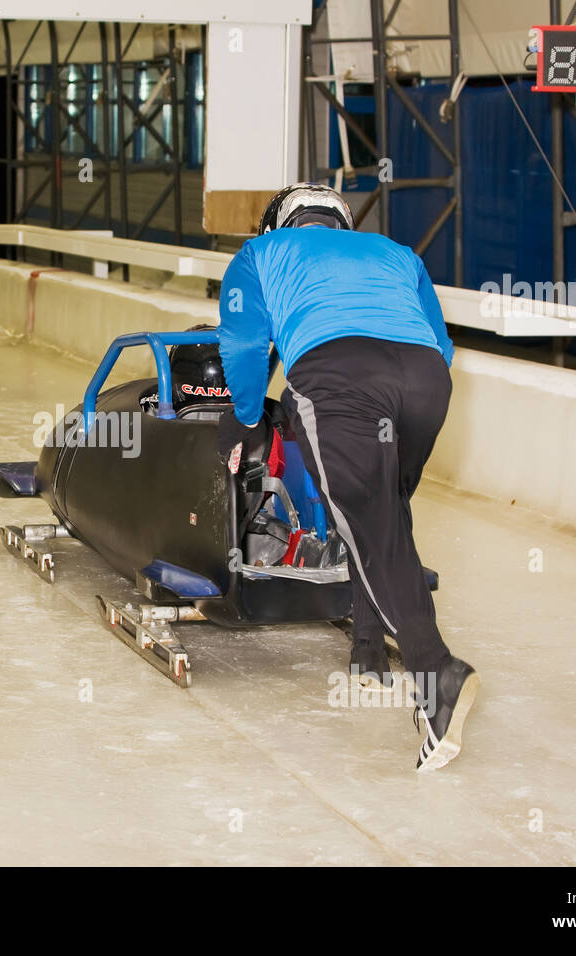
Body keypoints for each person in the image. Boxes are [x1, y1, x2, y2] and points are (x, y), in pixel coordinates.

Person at [216, 182, 479, 773]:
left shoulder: (262, 254)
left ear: (279, 223)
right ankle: (367, 651)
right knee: (381, 517)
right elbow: (441, 342)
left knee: (368, 521)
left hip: (337, 375)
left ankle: (437, 672)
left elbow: (244, 341)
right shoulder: (393, 251)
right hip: (424, 381)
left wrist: (246, 418)